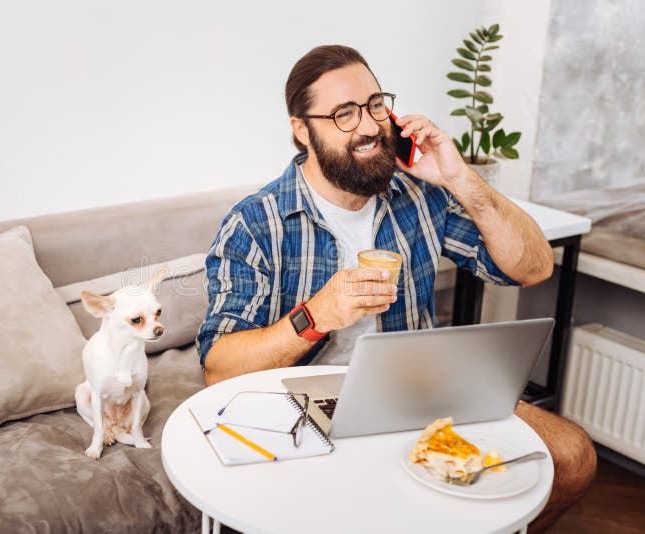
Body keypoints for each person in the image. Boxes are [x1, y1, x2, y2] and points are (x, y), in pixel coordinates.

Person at [196, 45, 595, 530]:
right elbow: (219, 369)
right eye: (343, 113)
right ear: (302, 129)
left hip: (418, 393)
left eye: (374, 105)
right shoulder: (256, 224)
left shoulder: (417, 197)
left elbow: (531, 267)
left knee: (574, 457)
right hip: (306, 408)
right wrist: (315, 316)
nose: (367, 126)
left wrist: (457, 176)